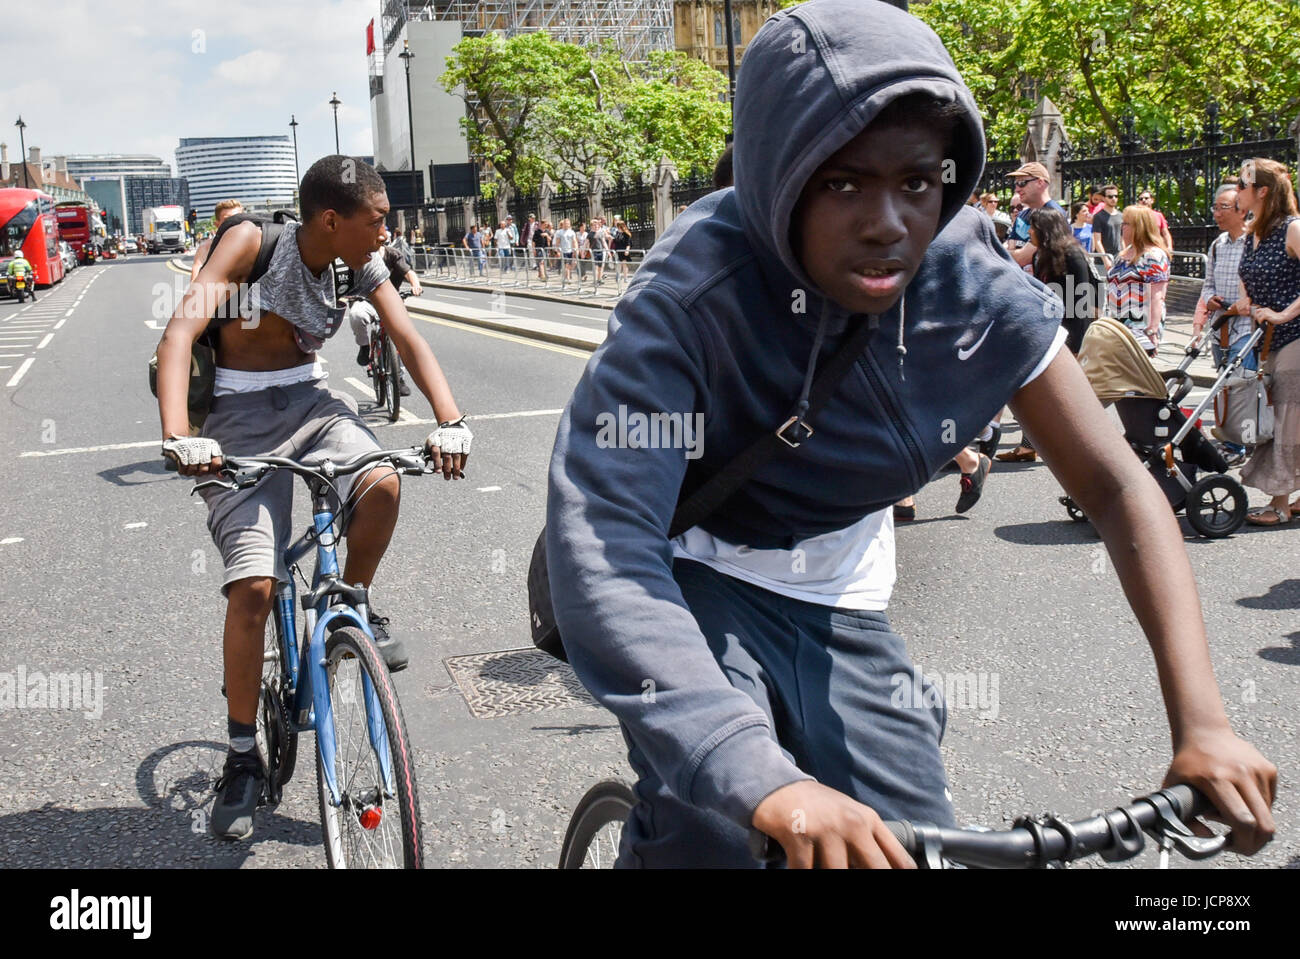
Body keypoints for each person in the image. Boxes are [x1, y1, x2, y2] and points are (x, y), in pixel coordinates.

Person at [544, 0, 1274, 868]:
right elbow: (607, 543)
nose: (890, 221)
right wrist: (756, 776)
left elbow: (1118, 487)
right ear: (777, 174)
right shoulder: (687, 298)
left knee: (913, 844)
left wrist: (1204, 723)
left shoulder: (974, 284)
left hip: (839, 591)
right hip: (694, 569)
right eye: (843, 182)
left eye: (917, 183)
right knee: (720, 820)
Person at [155, 155, 472, 841]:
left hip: (315, 403)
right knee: (256, 588)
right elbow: (180, 332)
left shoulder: (358, 262)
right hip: (238, 416)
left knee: (382, 481)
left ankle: (352, 605)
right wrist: (181, 436)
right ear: (332, 219)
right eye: (378, 219)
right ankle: (242, 758)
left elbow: (406, 338)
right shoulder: (249, 243)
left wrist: (451, 419)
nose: (387, 232)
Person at [1234, 158, 1300, 525]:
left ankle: (1279, 504)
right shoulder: (1253, 232)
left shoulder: (1293, 229)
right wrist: (1247, 300)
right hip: (1268, 339)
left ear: (1262, 191)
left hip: (1296, 335)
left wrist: (1284, 313)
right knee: (1285, 416)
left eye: (1242, 187)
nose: (1237, 192)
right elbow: (1248, 276)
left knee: (1286, 417)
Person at [1192, 183, 1254, 371]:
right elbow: (1208, 284)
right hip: (1220, 328)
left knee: (1240, 382)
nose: (1217, 214)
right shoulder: (1217, 245)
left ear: (1242, 211)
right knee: (1223, 388)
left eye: (1223, 208)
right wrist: (1209, 299)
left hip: (1246, 327)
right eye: (1215, 208)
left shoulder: (1255, 243)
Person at [349, 241, 423, 395]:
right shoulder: (358, 253)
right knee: (356, 315)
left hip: (391, 303)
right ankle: (364, 348)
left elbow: (409, 272)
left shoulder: (393, 255)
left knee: (400, 338)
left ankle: (399, 378)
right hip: (366, 301)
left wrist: (415, 285)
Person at [1106, 205, 1170, 357]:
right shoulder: (1123, 254)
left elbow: (1157, 296)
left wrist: (1152, 330)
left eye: (1126, 223)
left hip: (1140, 326)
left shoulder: (1154, 256)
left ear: (1138, 227)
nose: (1122, 227)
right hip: (1118, 323)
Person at [1005, 162, 1066, 268]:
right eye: (1016, 183)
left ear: (1040, 182)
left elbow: (1022, 258)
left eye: (1022, 183)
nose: (1017, 189)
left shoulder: (1052, 214)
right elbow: (1009, 246)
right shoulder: (1022, 215)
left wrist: (997, 253)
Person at [193, 204, 244, 280]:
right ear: (217, 224)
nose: (234, 223)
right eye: (228, 220)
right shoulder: (206, 248)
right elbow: (195, 280)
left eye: (239, 219)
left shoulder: (257, 245)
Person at [1090, 184, 1122, 263]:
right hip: (1102, 260)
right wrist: (1105, 260)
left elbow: (1122, 238)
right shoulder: (1098, 216)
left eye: (1116, 196)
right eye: (1110, 197)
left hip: (1118, 258)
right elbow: (1097, 241)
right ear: (1104, 198)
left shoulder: (1121, 215)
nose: (1113, 199)